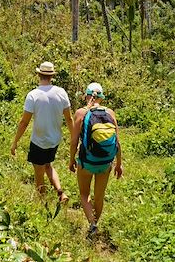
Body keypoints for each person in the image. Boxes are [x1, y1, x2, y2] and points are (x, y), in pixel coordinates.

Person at [11, 61, 73, 208]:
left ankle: (42, 205)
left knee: (39, 175)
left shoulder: (33, 95)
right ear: (52, 76)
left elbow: (24, 122)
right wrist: (74, 138)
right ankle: (60, 193)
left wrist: (15, 142)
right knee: (48, 165)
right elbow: (69, 118)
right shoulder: (61, 92)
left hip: (39, 141)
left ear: (39, 75)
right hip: (55, 140)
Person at [68, 82, 123, 238]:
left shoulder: (80, 113)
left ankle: (92, 224)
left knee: (84, 195)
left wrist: (71, 160)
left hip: (86, 161)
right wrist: (119, 164)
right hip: (106, 163)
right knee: (99, 196)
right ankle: (95, 224)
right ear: (102, 98)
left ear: (86, 96)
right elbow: (117, 142)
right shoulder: (110, 113)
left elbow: (73, 142)